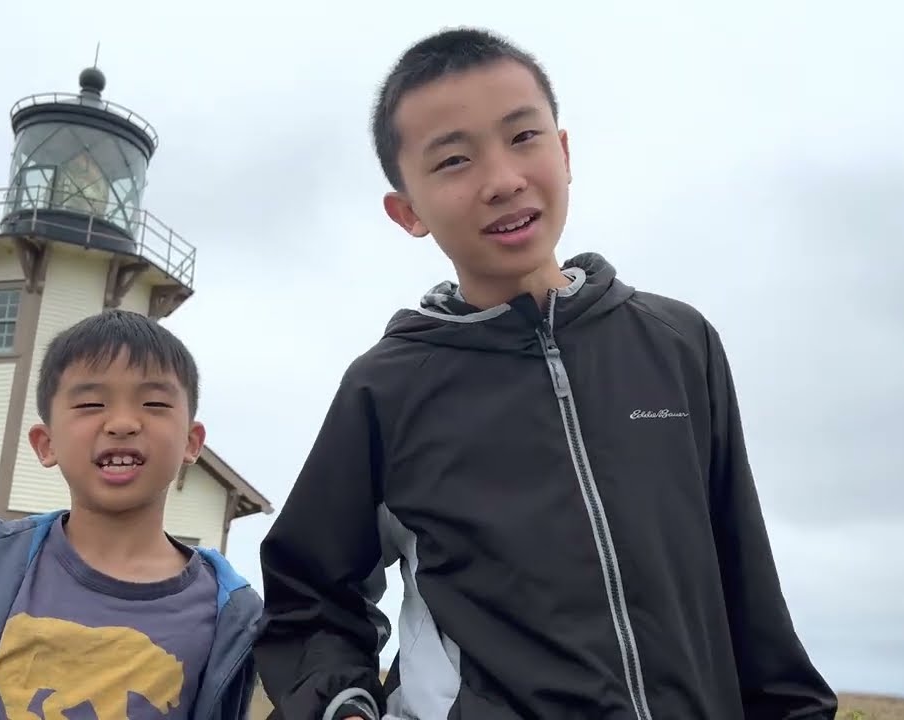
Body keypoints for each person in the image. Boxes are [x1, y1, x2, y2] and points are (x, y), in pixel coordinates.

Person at [253, 26, 838, 720]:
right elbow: (310, 594)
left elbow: (748, 589)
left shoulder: (679, 344)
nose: (503, 180)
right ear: (407, 211)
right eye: (454, 160)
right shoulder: (386, 390)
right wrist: (344, 705)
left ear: (563, 151)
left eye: (523, 137)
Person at [0, 309, 261, 720]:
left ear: (192, 441)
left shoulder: (231, 615)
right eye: (91, 405)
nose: (123, 422)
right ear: (45, 443)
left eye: (154, 404)